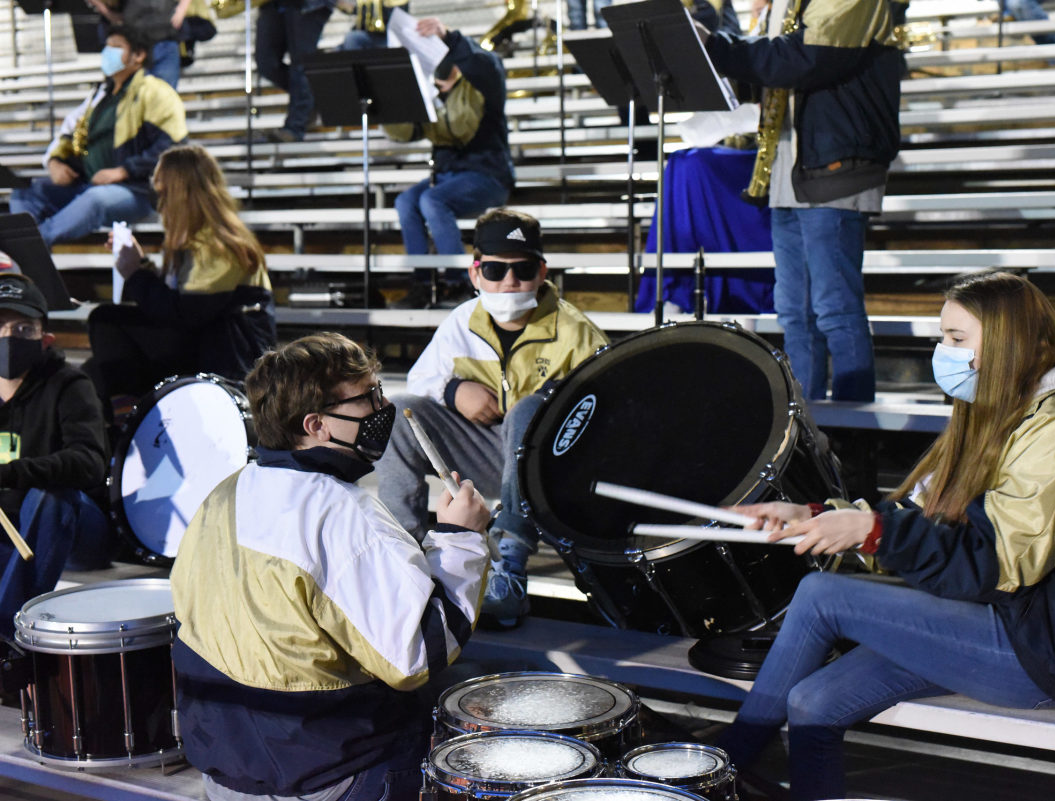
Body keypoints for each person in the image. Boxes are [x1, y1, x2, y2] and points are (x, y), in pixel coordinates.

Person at [713, 271, 1055, 801]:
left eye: (956, 338)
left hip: (1038, 649)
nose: (941, 351)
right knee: (812, 702)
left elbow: (1004, 565)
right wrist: (814, 515)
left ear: (1007, 341)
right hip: (987, 624)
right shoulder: (998, 401)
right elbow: (922, 513)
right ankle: (733, 769)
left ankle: (722, 768)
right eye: (941, 337)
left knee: (821, 594)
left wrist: (875, 533)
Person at [171, 332, 492, 800]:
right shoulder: (342, 514)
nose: (382, 407)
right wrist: (460, 539)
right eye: (368, 397)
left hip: (226, 769)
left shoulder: (223, 494)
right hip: (331, 774)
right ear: (317, 424)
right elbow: (417, 656)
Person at [377, 208, 608, 627]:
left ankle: (511, 574)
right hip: (489, 454)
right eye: (497, 269)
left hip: (554, 468)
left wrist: (547, 403)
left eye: (521, 268)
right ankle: (404, 559)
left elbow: (607, 413)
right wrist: (453, 390)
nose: (509, 281)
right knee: (398, 413)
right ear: (475, 273)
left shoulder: (577, 332)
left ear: (542, 271)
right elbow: (419, 381)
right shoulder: (462, 321)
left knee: (527, 411)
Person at [697, 0, 903, 403]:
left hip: (836, 166)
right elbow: (771, 68)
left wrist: (717, 47)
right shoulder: (785, 4)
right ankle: (803, 433)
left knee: (835, 310)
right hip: (789, 167)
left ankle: (853, 437)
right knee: (794, 314)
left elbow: (803, 58)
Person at [82, 145, 275, 419]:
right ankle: (126, 426)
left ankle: (130, 420)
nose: (158, 203)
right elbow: (176, 304)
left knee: (105, 320)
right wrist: (142, 265)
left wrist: (136, 274)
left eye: (162, 193)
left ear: (182, 194)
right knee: (94, 371)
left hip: (226, 358)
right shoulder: (196, 239)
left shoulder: (219, 244)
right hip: (200, 344)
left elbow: (185, 314)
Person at [0, 274, 111, 644]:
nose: (9, 337)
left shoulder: (69, 384)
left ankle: (9, 640)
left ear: (43, 336)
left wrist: (12, 474)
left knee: (49, 496)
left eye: (22, 327)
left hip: (73, 528)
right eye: (0, 326)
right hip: (7, 533)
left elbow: (90, 462)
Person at [9, 27, 187, 248]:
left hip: (136, 191)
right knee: (25, 193)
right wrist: (56, 162)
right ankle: (27, 252)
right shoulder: (100, 95)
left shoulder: (157, 92)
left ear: (138, 55)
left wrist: (124, 171)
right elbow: (70, 134)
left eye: (116, 47)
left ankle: (25, 249)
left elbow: (172, 146)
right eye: (106, 47)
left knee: (95, 200)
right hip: (87, 185)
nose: (107, 52)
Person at [385, 17, 515, 309]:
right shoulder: (431, 93)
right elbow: (405, 133)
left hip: (487, 175)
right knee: (406, 201)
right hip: (447, 176)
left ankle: (458, 283)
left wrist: (448, 37)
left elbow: (485, 63)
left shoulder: (482, 81)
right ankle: (422, 283)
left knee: (432, 200)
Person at [256, 0, 336, 143]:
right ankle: (311, 98)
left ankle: (294, 128)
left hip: (310, 5)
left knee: (300, 64)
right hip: (273, 4)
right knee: (266, 63)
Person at [85, 0, 188, 87]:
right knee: (126, 96)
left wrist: (182, 8)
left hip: (165, 39)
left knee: (164, 96)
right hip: (131, 43)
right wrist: (107, 13)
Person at [336, 0, 409, 50]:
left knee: (352, 38)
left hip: (387, 37)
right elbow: (356, 9)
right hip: (370, 34)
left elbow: (391, 18)